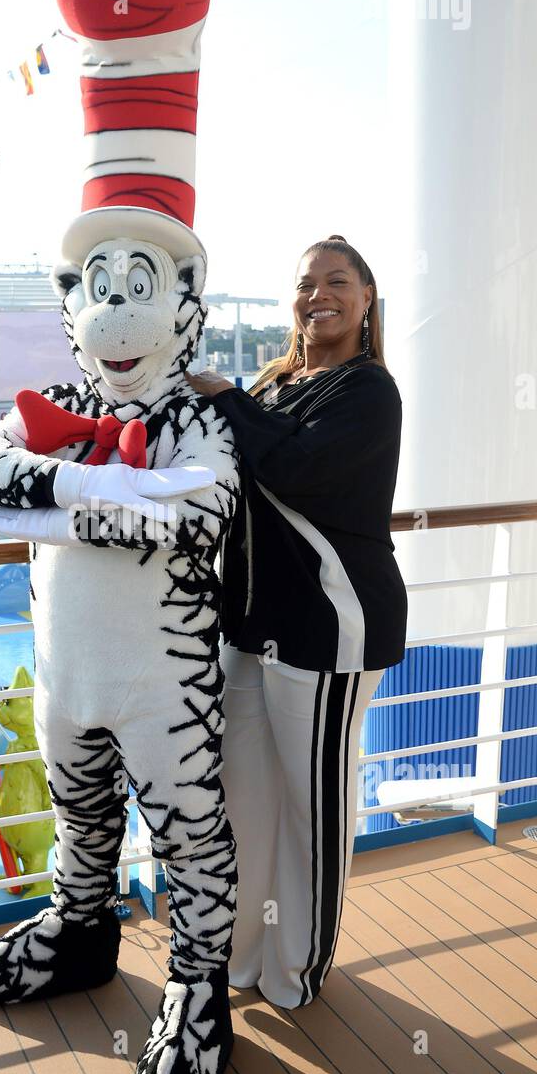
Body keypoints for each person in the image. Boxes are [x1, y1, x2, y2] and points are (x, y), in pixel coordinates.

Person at [186, 234, 408, 1010]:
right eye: (306, 282)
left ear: (367, 299)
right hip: (252, 628)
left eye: (337, 282)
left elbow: (296, 469)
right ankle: (244, 956)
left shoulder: (366, 392)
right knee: (245, 803)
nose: (318, 294)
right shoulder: (277, 383)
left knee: (312, 811)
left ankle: (297, 970)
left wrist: (227, 398)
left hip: (328, 630)